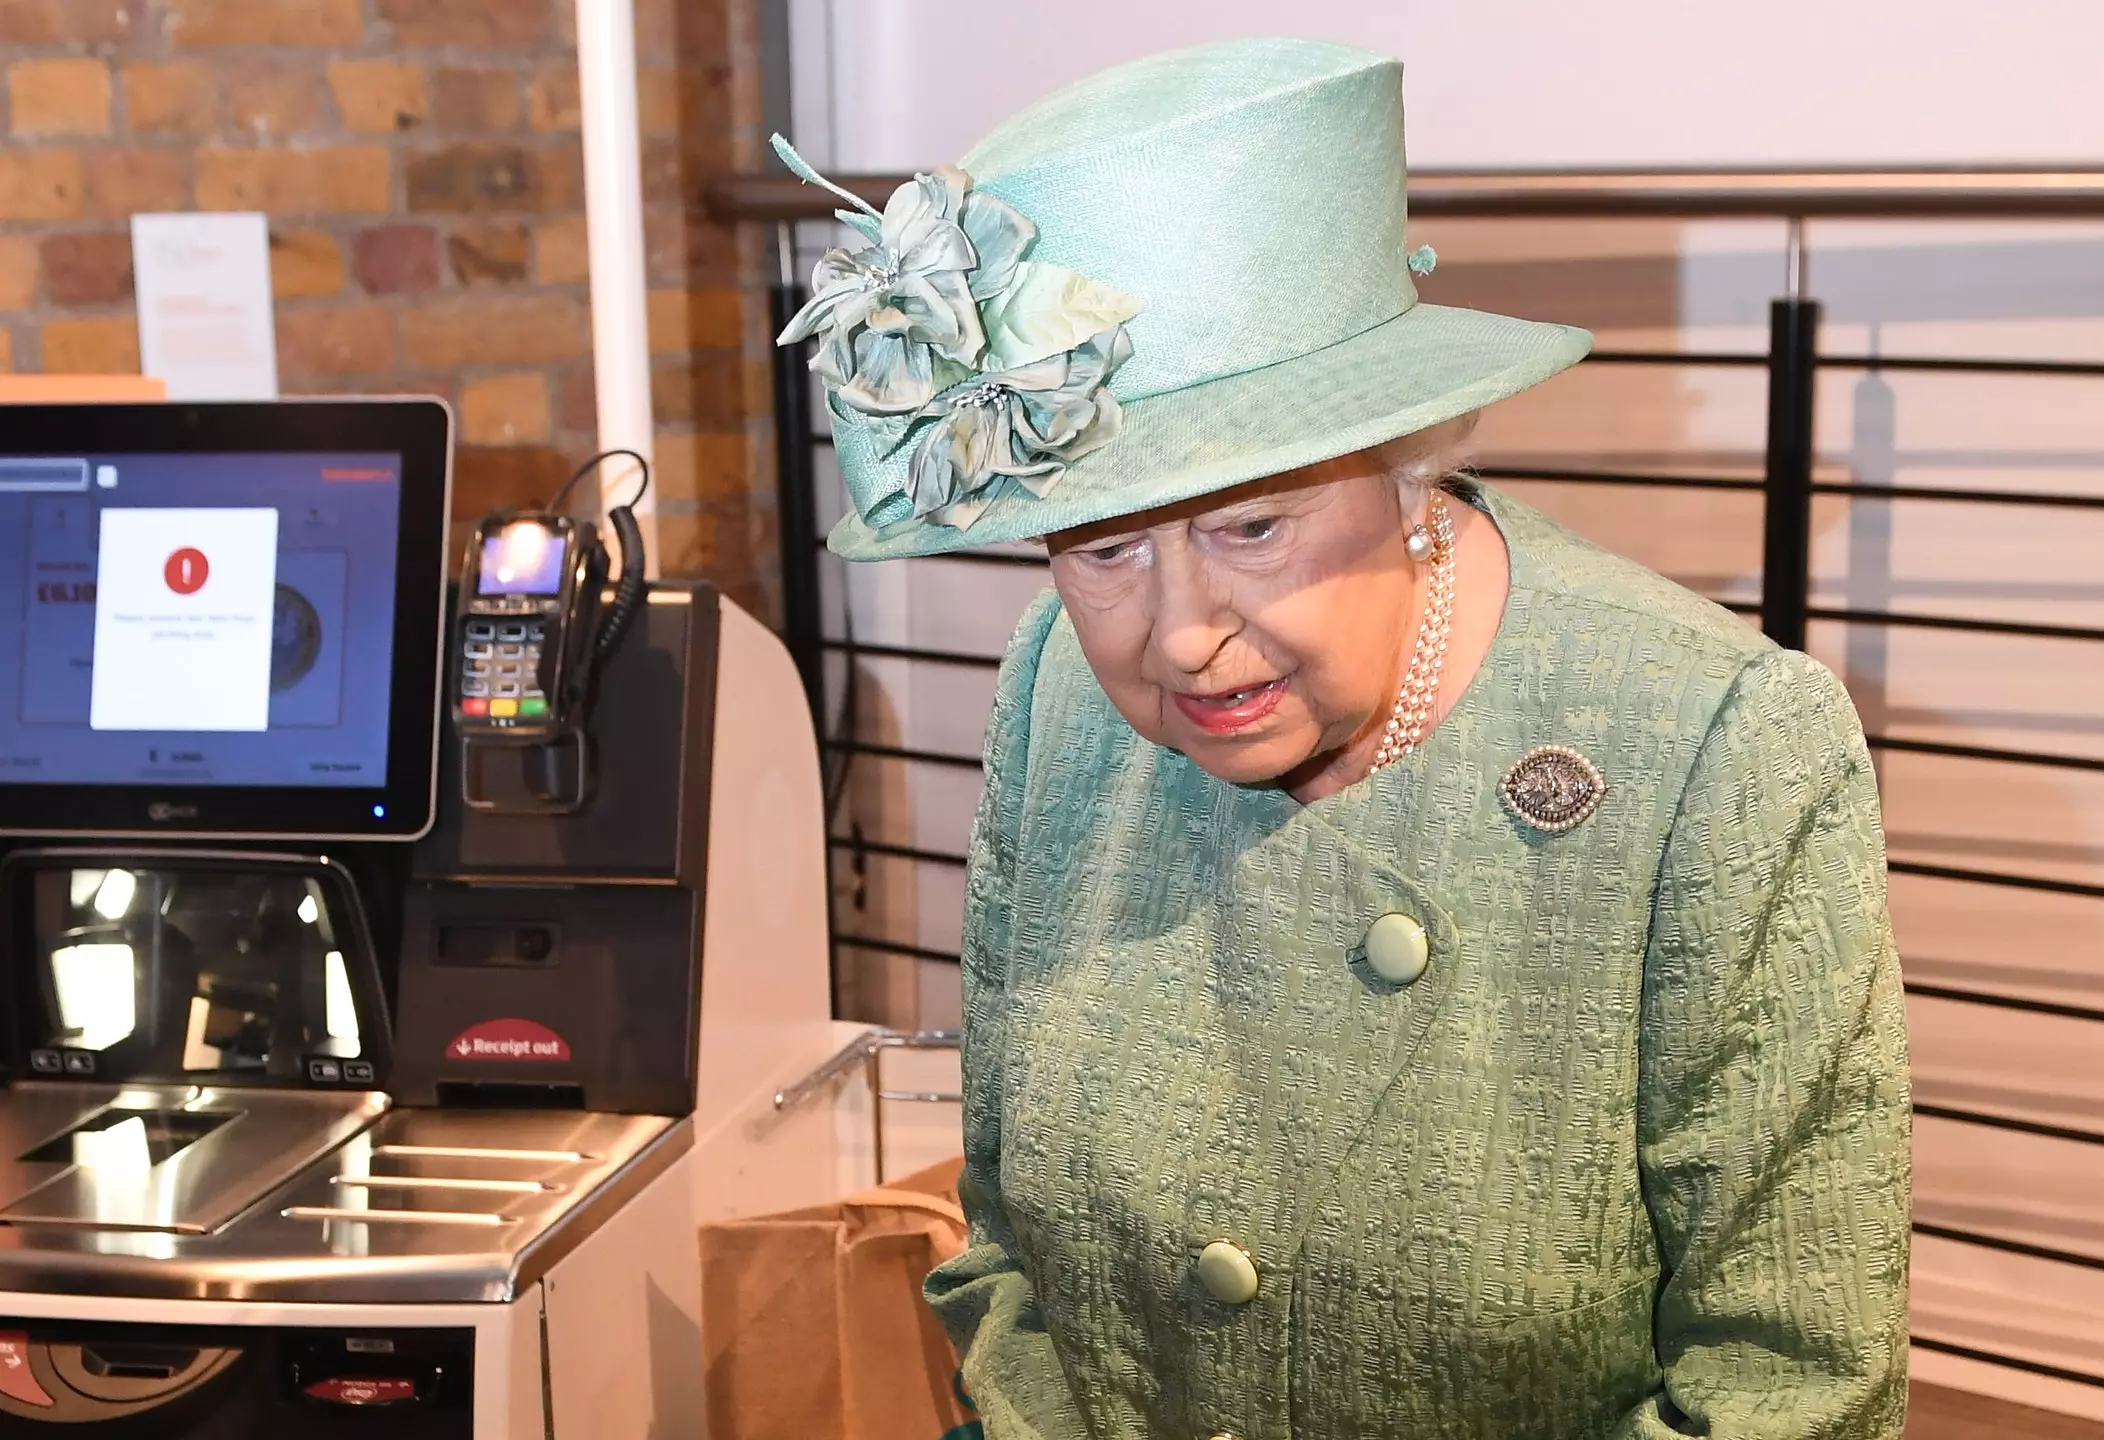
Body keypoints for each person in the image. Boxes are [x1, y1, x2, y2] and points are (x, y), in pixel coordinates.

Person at [775, 36, 1908, 1440]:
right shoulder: (1054, 690)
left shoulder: (1721, 753)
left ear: (1409, 461)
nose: (1181, 633)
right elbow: (1010, 1248)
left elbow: (1792, 1390)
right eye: (1104, 545)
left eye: (1252, 525)